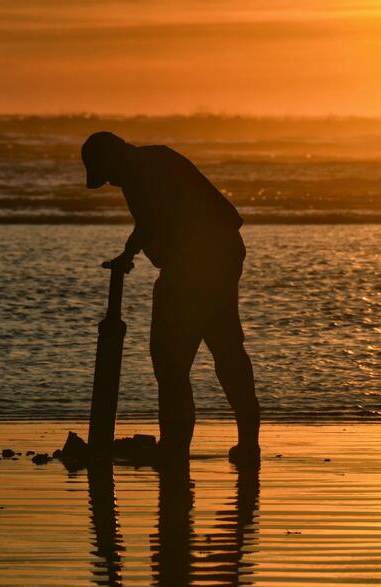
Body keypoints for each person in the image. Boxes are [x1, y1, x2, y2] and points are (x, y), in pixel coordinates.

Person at [81, 131, 260, 466]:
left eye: (108, 176)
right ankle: (248, 445)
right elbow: (151, 219)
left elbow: (152, 217)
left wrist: (133, 251)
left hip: (195, 261)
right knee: (226, 349)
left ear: (114, 158)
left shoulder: (139, 172)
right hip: (223, 251)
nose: (111, 184)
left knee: (170, 360)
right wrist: (129, 252)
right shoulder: (150, 162)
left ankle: (175, 448)